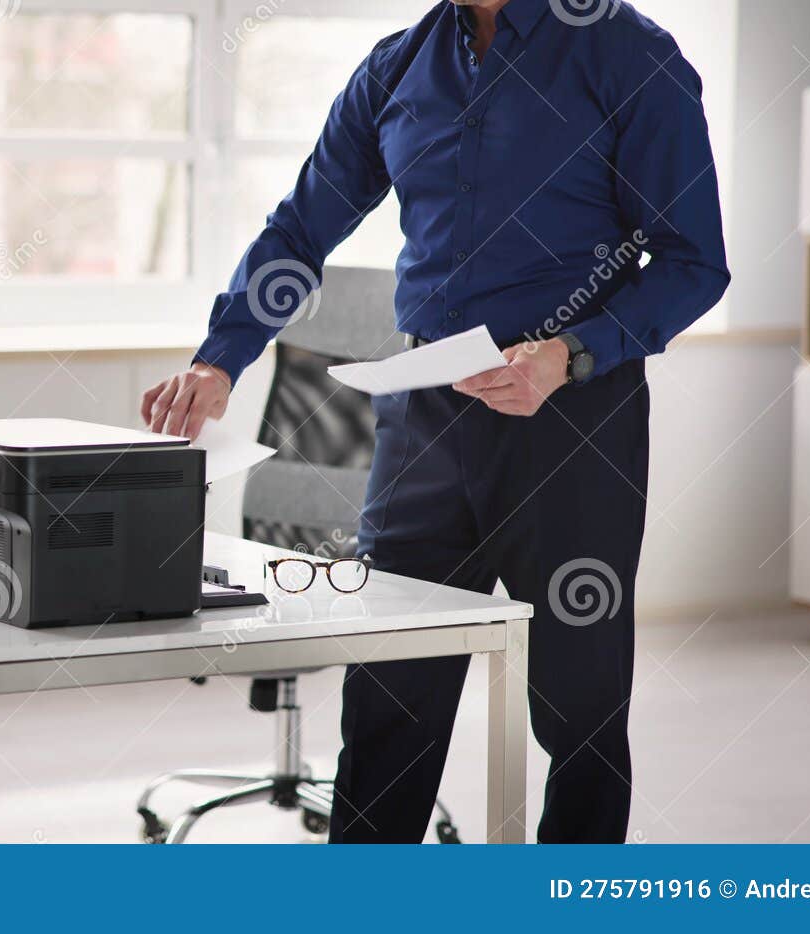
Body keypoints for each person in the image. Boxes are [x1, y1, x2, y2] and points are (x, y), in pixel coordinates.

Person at [140, 0, 729, 843]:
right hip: (424, 422)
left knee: (580, 709)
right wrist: (220, 356)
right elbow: (304, 222)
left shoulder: (629, 54)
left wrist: (568, 352)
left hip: (573, 421)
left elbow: (691, 260)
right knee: (388, 694)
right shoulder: (397, 67)